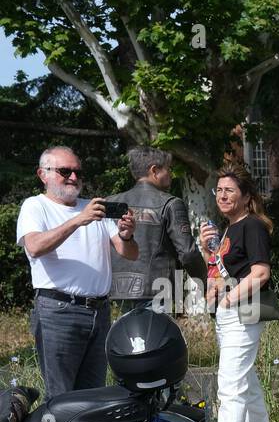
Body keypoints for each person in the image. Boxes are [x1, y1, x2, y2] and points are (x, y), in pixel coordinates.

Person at [15, 145, 138, 398]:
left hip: (99, 311)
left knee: (93, 396)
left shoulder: (94, 208)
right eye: (65, 171)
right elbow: (35, 246)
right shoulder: (35, 206)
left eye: (78, 172)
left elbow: (130, 253)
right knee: (61, 396)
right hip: (59, 310)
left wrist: (127, 234)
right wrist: (77, 220)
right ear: (43, 174)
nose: (73, 177)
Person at [201, 163, 274, 422]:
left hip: (244, 311)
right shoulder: (230, 228)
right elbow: (220, 274)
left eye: (229, 190)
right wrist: (208, 253)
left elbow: (260, 273)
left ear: (245, 196)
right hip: (229, 313)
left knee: (230, 385)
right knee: (247, 382)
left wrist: (230, 299)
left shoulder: (252, 225)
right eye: (218, 190)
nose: (222, 195)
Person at [108, 146, 208, 311]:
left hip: (114, 293)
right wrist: (205, 281)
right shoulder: (171, 204)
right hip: (156, 292)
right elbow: (188, 253)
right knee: (155, 336)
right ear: (154, 171)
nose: (171, 175)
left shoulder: (111, 203)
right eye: (169, 169)